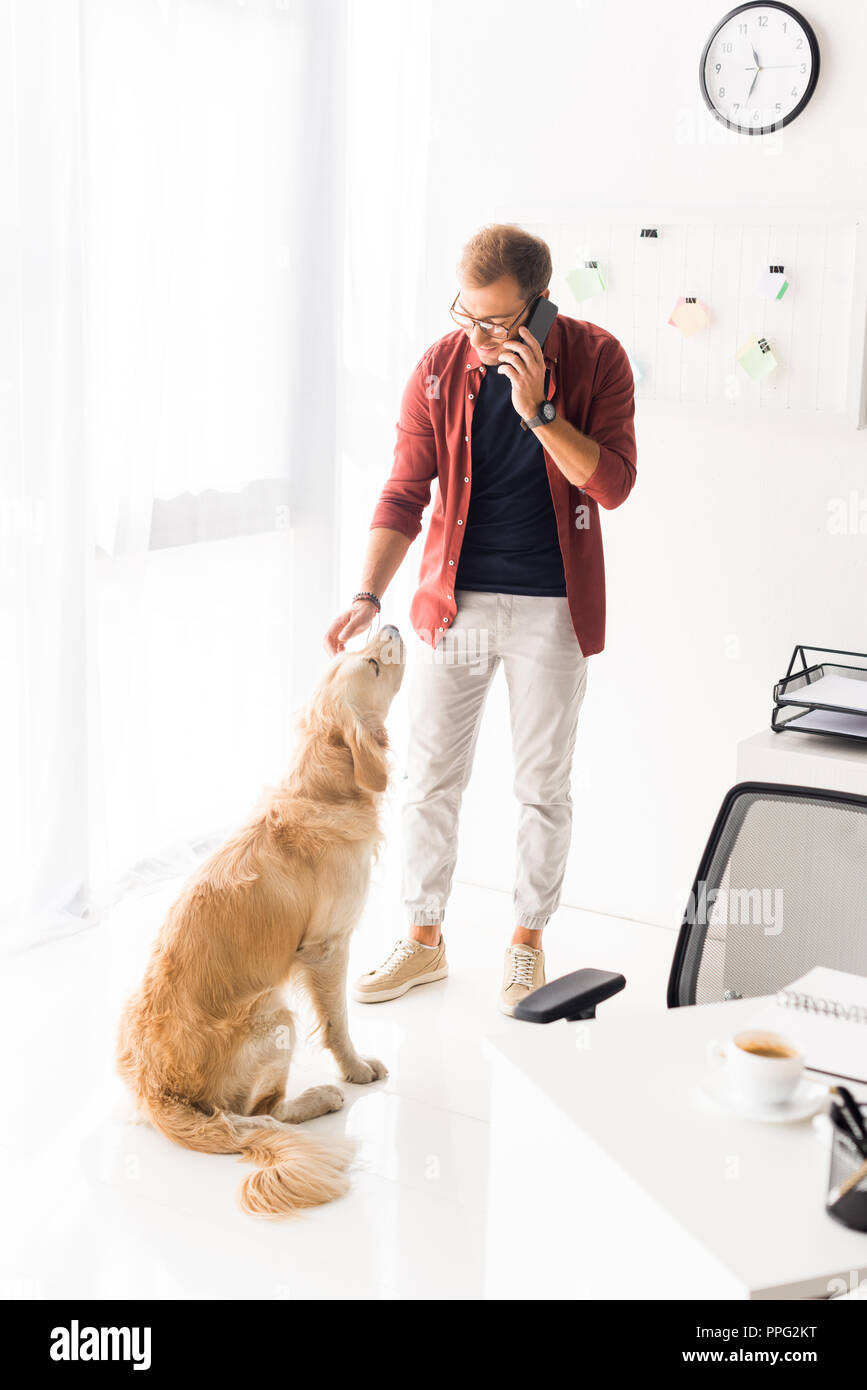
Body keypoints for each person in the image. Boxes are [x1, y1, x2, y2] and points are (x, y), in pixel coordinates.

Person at [324, 223, 637, 1016]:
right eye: (467, 314)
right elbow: (403, 490)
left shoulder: (598, 358)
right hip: (451, 602)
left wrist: (535, 411)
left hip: (553, 607)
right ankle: (423, 941)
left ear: (536, 308)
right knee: (428, 777)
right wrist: (367, 593)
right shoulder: (438, 364)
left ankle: (525, 944)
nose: (477, 334)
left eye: (496, 322)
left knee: (540, 787)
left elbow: (611, 486)